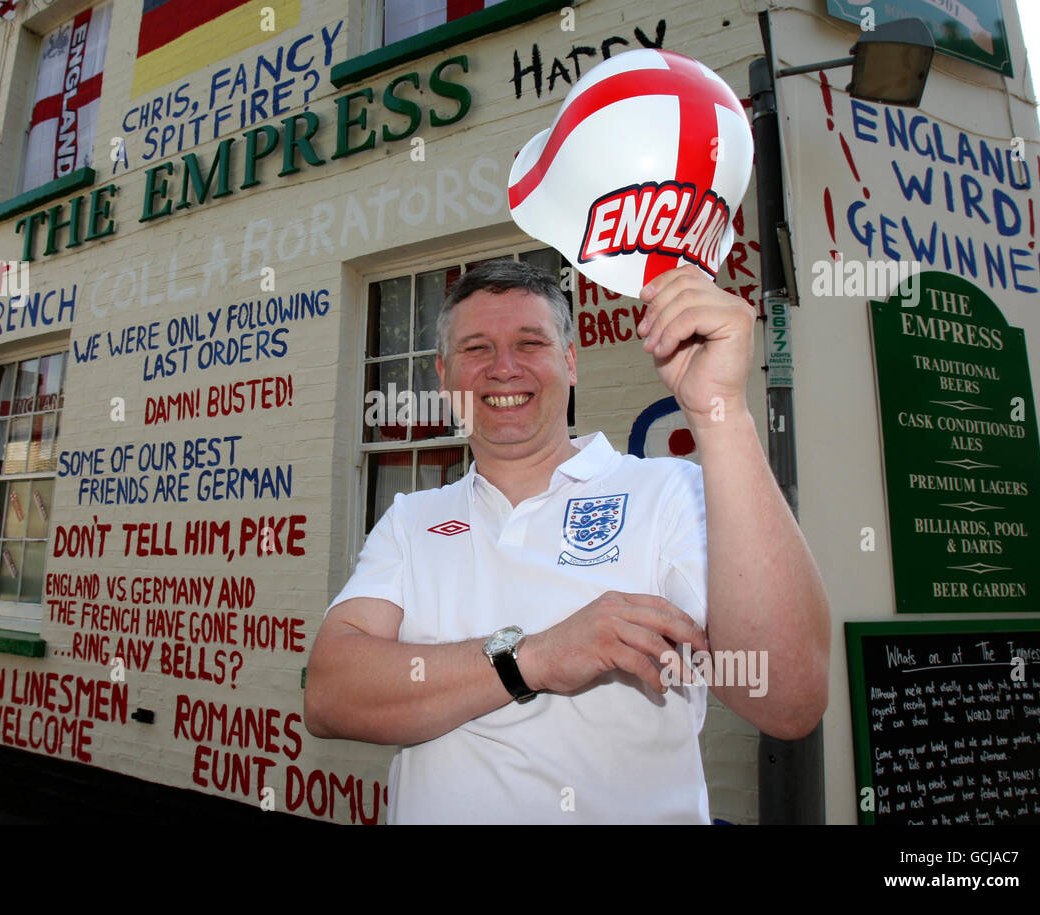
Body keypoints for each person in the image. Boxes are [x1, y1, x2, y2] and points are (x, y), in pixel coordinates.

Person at [304, 259, 830, 823]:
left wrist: (719, 412)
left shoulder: (670, 491)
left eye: (530, 343)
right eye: (477, 348)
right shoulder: (413, 518)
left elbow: (789, 698)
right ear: (443, 374)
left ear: (570, 362)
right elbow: (329, 695)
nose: (504, 369)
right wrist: (536, 657)